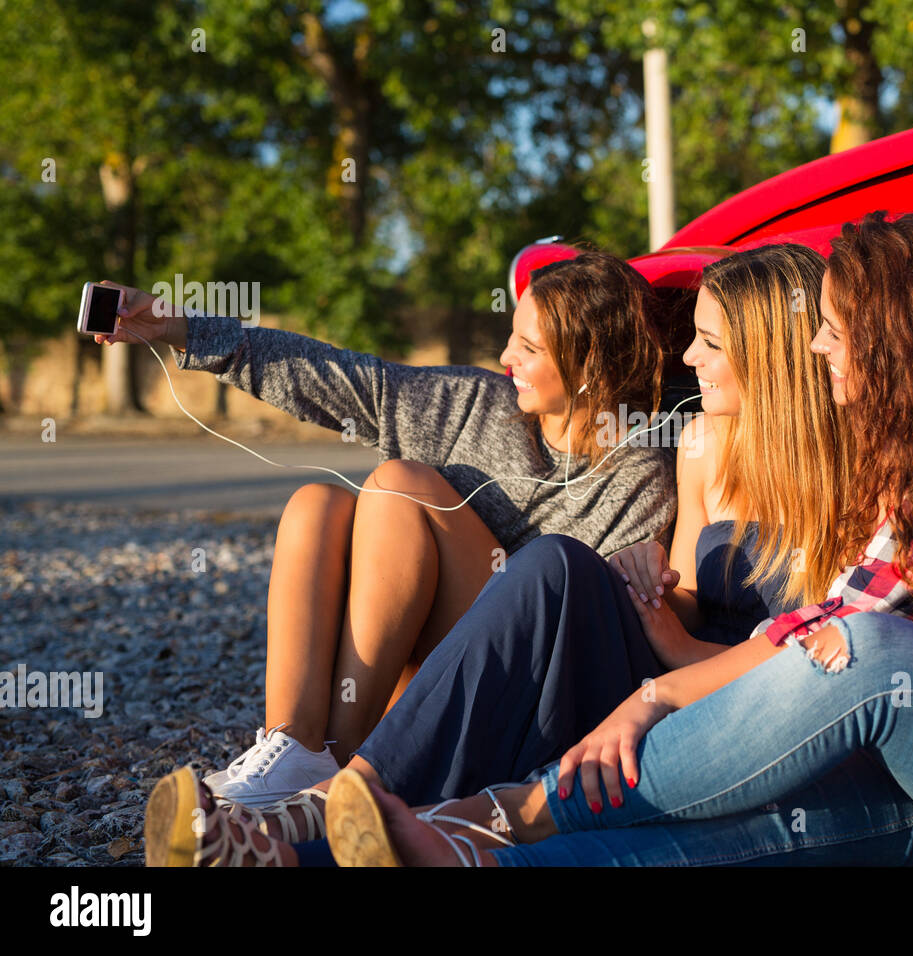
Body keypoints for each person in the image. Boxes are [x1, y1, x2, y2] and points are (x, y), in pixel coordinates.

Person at [316, 211, 913, 867]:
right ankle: (414, 848)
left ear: (895, 336)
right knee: (747, 831)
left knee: (867, 653)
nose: (821, 348)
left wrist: (652, 696)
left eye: (834, 331)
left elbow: (842, 630)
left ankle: (506, 812)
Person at [141, 242, 855, 866]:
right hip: (606, 663)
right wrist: (655, 593)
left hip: (726, 699)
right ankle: (307, 766)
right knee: (363, 510)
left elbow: (813, 653)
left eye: (709, 344)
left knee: (549, 558)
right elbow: (340, 378)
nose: (688, 357)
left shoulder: (827, 470)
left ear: (768, 357)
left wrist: (662, 644)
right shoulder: (703, 444)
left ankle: (320, 808)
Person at [96, 252, 677, 807]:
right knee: (316, 504)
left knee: (400, 485)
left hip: (494, 689)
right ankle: (292, 743)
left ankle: (343, 769)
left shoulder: (639, 478)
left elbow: (585, 631)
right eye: (511, 337)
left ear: (589, 367)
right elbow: (338, 379)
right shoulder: (477, 402)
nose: (506, 357)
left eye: (528, 348)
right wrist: (176, 326)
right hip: (403, 669)